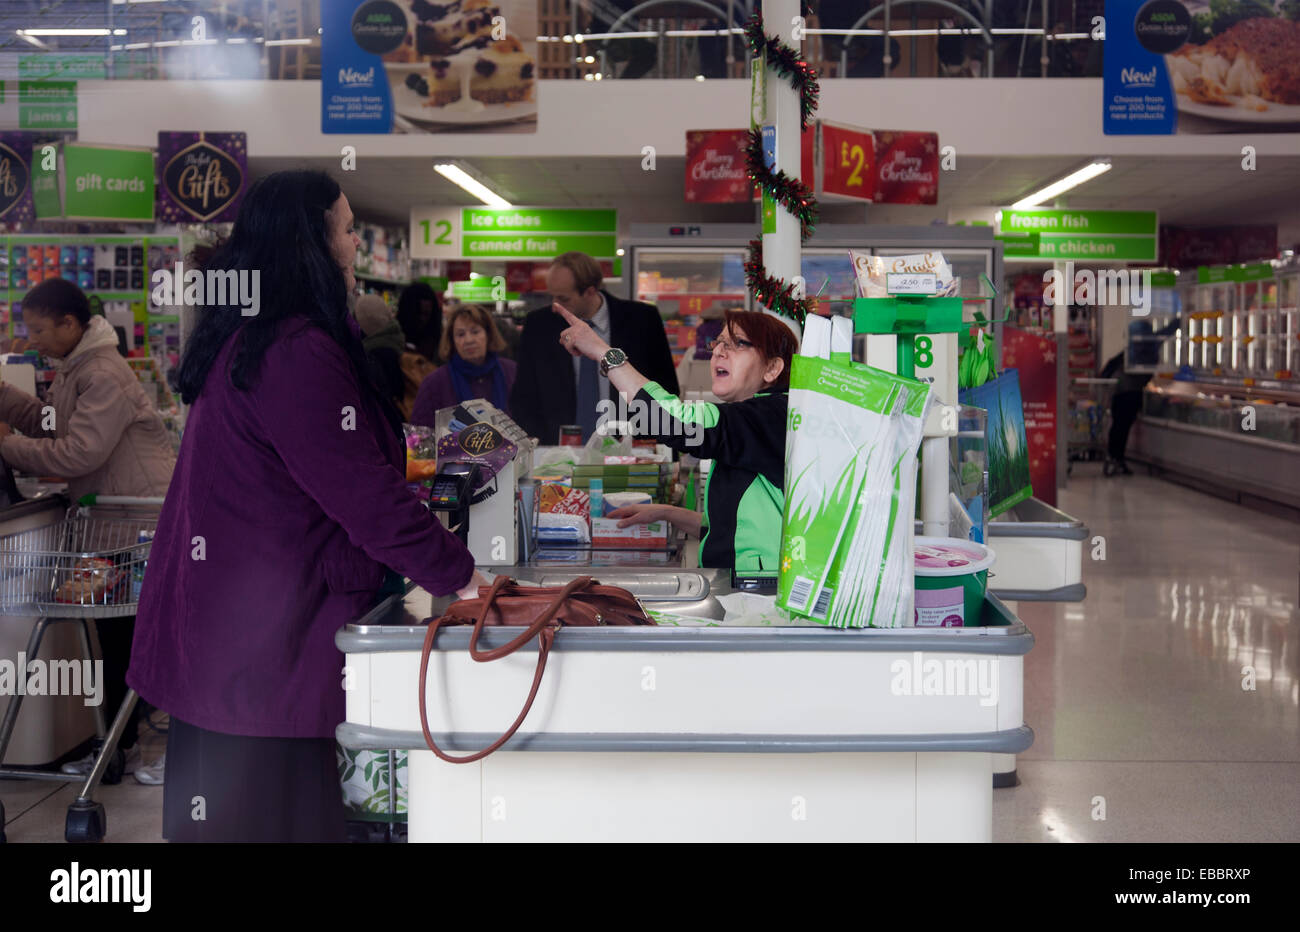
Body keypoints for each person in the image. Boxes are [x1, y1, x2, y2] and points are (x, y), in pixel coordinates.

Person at [126, 170, 487, 843]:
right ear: (311, 245)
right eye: (348, 230)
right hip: (265, 646)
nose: (355, 245)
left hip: (236, 641)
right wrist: (462, 576)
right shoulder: (295, 351)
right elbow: (362, 496)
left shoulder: (257, 337)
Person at [0, 278, 176, 785]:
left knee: (133, 638)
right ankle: (116, 748)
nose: (30, 340)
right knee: (115, 638)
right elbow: (53, 421)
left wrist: (7, 446)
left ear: (70, 324)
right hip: (111, 522)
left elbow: (79, 452)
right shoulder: (74, 368)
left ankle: (147, 750)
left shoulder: (102, 374)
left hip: (134, 522)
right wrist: (7, 401)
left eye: (38, 329)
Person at [556, 306, 795, 571]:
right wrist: (666, 513)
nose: (718, 351)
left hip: (761, 596)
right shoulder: (755, 421)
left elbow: (672, 419)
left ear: (772, 368)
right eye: (719, 342)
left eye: (738, 343)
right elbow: (735, 526)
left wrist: (604, 353)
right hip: (744, 591)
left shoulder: (773, 415)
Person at [511, 252, 679, 444]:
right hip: (558, 453)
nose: (555, 306)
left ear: (590, 291)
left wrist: (648, 440)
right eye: (553, 297)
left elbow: (666, 387)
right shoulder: (539, 325)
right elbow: (523, 396)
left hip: (629, 448)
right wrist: (539, 444)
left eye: (563, 299)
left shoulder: (642, 320)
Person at [410, 303, 517, 424]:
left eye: (475, 332)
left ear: (489, 334)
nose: (468, 340)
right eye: (461, 334)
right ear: (452, 340)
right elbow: (419, 435)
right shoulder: (434, 383)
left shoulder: (512, 372)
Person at [396, 281, 442, 362]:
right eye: (417, 314)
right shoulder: (395, 341)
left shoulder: (439, 343)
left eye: (426, 314)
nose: (422, 319)